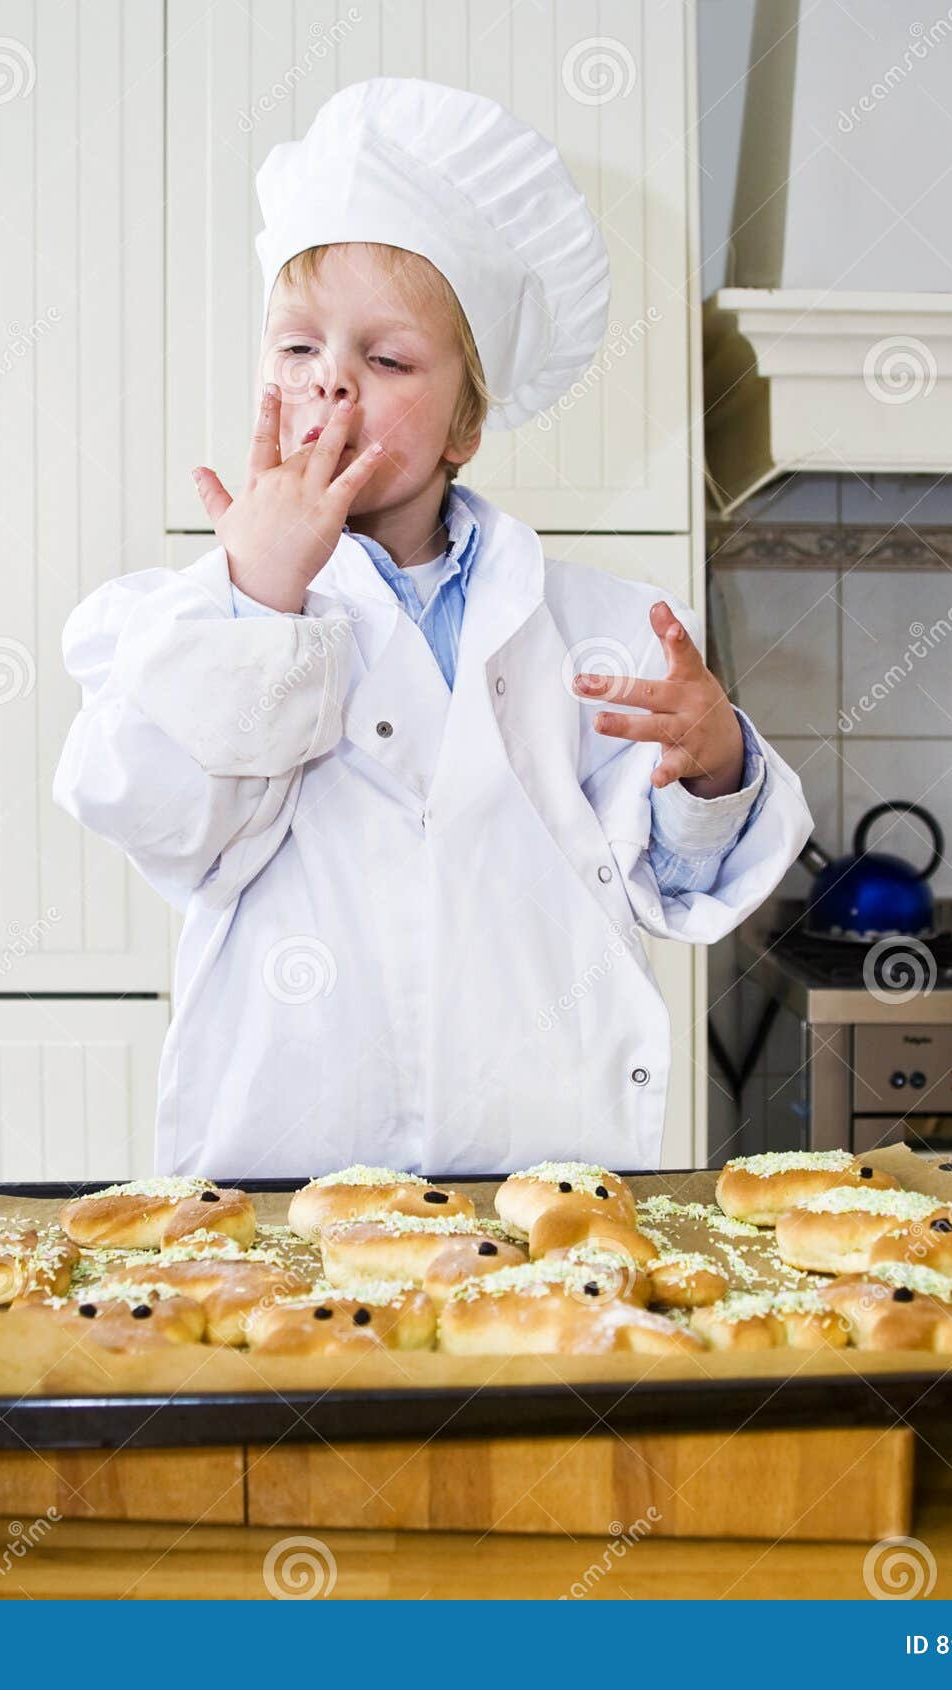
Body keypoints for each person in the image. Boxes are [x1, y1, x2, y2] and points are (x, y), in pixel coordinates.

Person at [54, 77, 812, 1179]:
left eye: (387, 359)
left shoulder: (597, 632)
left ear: (465, 424)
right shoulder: (180, 622)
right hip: (287, 1163)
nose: (331, 386)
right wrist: (255, 600)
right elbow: (157, 816)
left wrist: (712, 767)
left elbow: (673, 881)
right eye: (297, 348)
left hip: (542, 1158)